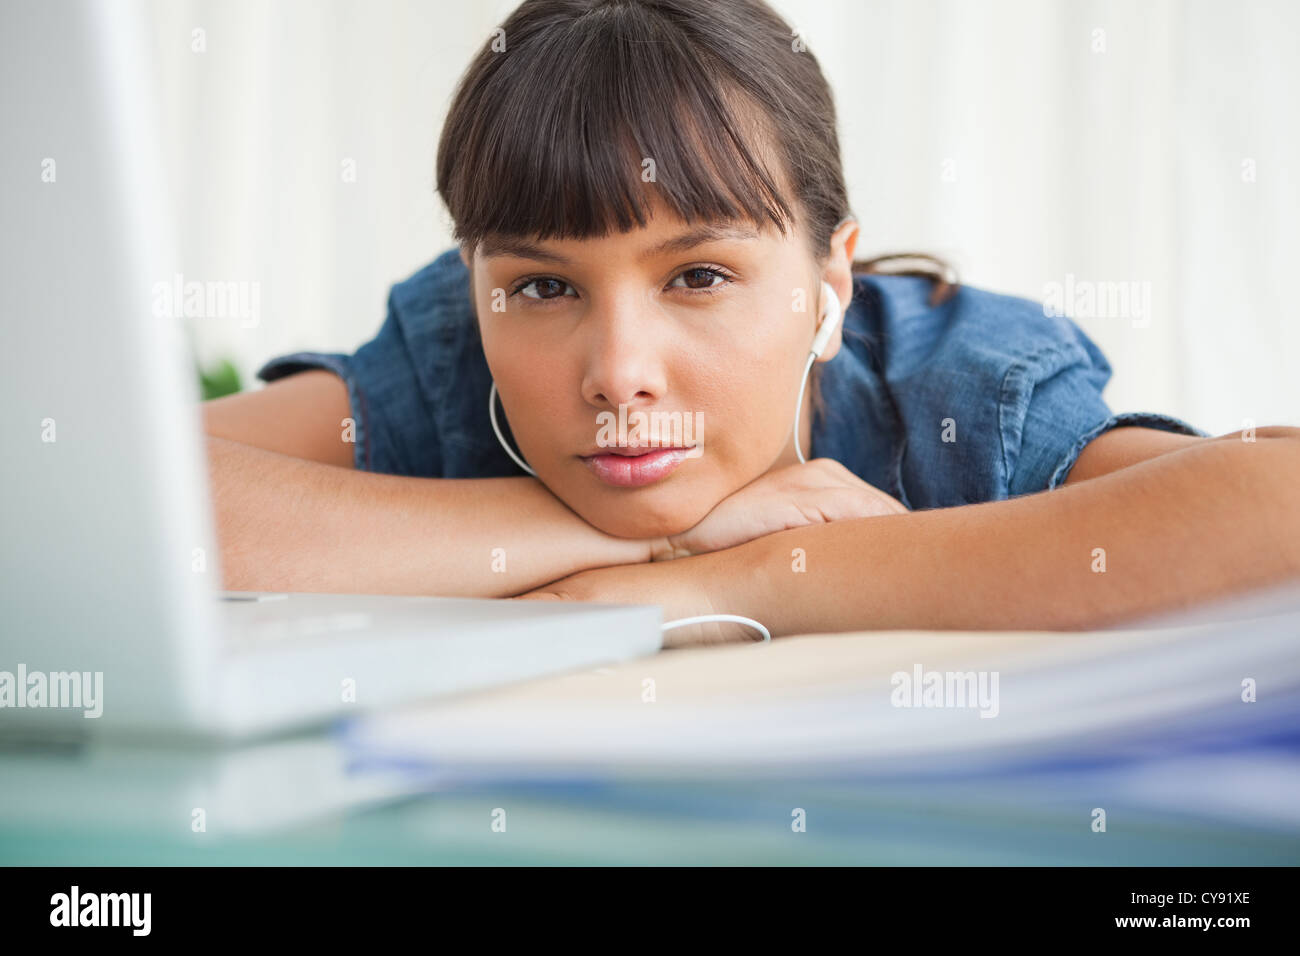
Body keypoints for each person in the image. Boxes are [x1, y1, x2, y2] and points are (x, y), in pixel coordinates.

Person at [202, 0, 1299, 644]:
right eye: (542, 287)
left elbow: (1276, 505)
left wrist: (742, 577)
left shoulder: (962, 388)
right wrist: (657, 530)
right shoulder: (449, 352)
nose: (619, 373)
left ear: (831, 283)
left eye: (699, 276)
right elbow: (115, 486)